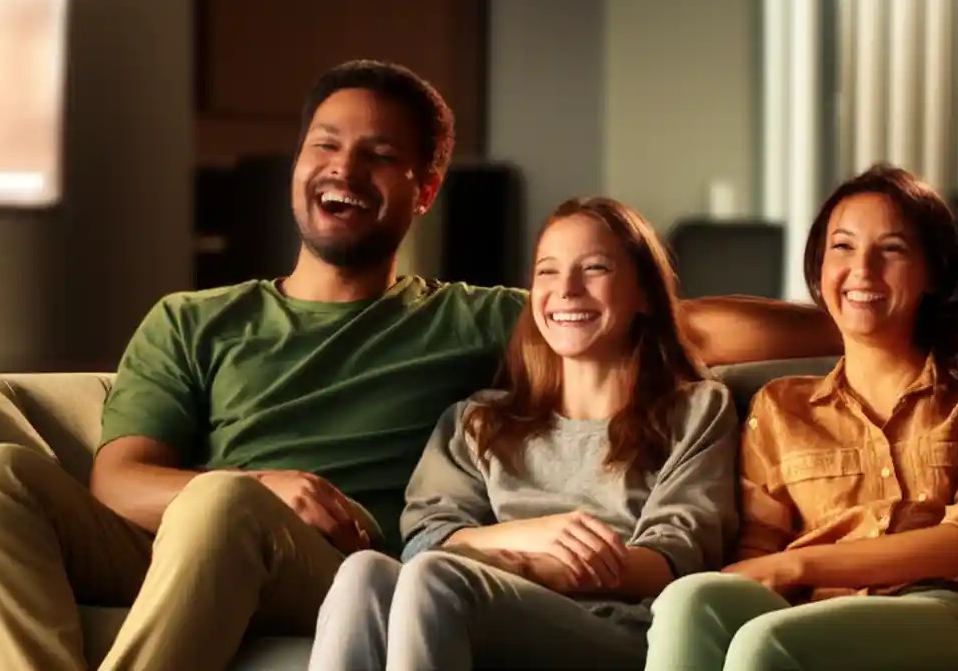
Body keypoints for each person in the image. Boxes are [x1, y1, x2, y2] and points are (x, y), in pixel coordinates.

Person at [0, 59, 841, 671]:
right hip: (178, 550)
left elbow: (663, 323)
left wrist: (866, 315)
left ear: (425, 187)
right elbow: (119, 479)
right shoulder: (195, 318)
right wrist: (257, 483)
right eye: (326, 145)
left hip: (328, 567)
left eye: (379, 155)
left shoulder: (467, 320)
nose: (344, 168)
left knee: (221, 501)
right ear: (299, 163)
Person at [308, 196, 740, 671]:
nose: (567, 290)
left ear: (644, 294)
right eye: (547, 272)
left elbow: (672, 562)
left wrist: (525, 567)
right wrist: (528, 536)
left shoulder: (696, 409)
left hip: (618, 630)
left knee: (437, 578)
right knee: (364, 572)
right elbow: (423, 542)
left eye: (594, 269)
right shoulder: (479, 422)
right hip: (474, 601)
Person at [646, 164, 958, 670]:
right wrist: (776, 571)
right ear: (818, 269)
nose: (863, 270)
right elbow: (756, 552)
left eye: (891, 249)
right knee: (689, 599)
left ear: (932, 272)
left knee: (769, 643)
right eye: (842, 247)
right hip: (811, 609)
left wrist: (797, 564)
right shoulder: (782, 408)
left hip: (943, 607)